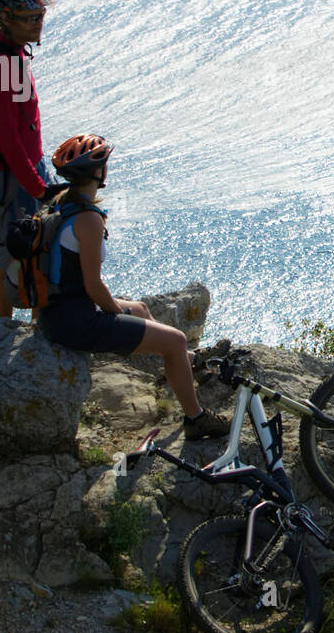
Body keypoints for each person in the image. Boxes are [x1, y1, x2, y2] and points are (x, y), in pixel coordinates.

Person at [36, 133, 227, 440]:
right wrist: (113, 314)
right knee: (176, 340)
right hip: (75, 324)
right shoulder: (89, 220)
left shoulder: (60, 205)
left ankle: (187, 366)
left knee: (139, 308)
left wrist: (123, 311)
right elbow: (93, 285)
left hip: (55, 314)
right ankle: (196, 419)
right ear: (97, 172)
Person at [0, 0, 62, 318]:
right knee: (10, 250)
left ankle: (39, 323)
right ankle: (1, 329)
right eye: (31, 18)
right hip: (10, 174)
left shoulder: (13, 53)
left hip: (28, 166)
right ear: (8, 17)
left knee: (35, 247)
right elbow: (6, 137)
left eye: (40, 15)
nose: (39, 24)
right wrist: (37, 186)